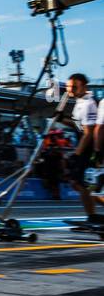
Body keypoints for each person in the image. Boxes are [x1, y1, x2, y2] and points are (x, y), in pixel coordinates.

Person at [64, 72, 103, 222]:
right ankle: (92, 216)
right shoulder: (79, 102)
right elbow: (79, 126)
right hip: (84, 147)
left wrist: (77, 154)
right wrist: (63, 119)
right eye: (69, 87)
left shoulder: (88, 104)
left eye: (74, 86)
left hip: (90, 148)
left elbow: (88, 132)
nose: (71, 90)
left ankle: (92, 216)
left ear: (84, 86)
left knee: (85, 185)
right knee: (81, 185)